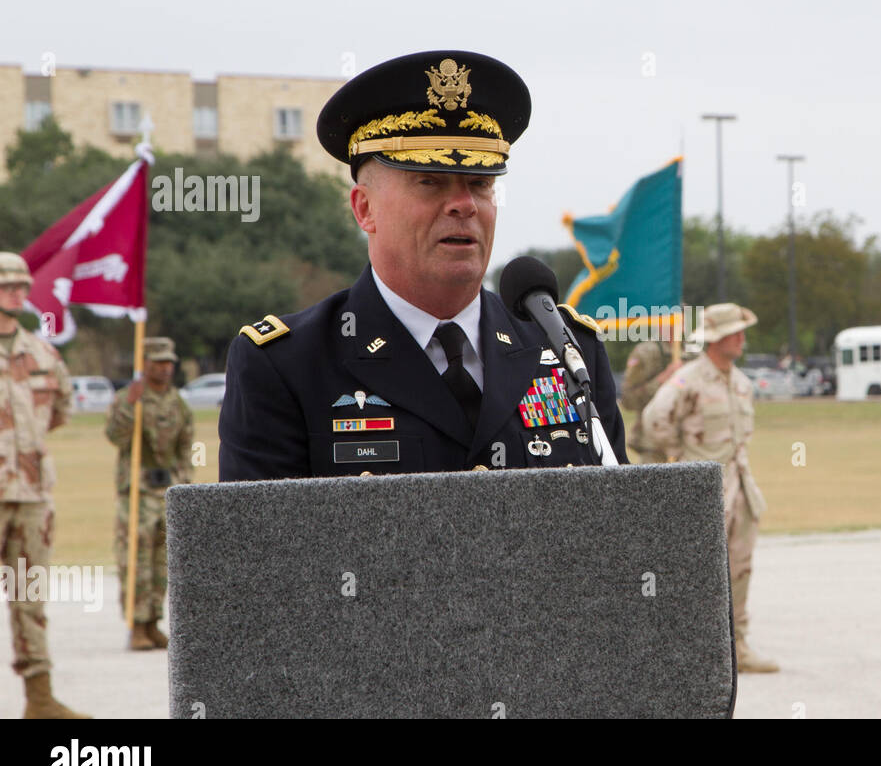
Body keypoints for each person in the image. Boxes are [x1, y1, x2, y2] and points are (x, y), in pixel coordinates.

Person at [219, 51, 626, 480]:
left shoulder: (567, 351)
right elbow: (259, 545)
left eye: (480, 184)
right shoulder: (287, 367)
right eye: (429, 182)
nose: (463, 205)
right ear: (364, 208)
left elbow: (621, 526)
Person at [642, 303, 778, 673]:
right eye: (734, 332)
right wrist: (679, 455)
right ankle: (693, 652)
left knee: (741, 568)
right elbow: (655, 418)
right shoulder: (689, 378)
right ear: (716, 338)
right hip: (704, 492)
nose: (741, 338)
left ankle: (739, 647)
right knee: (698, 575)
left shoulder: (741, 383)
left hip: (741, 488)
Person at [0, 252, 90, 718]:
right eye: (8, 284)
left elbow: (60, 412)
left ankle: (39, 699)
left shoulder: (42, 352)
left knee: (29, 596)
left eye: (21, 284)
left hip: (31, 496)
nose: (18, 291)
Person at [104, 337, 193, 650]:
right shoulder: (130, 398)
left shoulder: (178, 402)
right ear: (145, 365)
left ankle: (154, 620)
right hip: (137, 492)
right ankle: (136, 625)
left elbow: (186, 447)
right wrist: (130, 406)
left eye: (169, 362)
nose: (165, 368)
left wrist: (183, 482)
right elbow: (115, 436)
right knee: (135, 560)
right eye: (158, 362)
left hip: (167, 491)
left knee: (163, 560)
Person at [619, 336, 682, 464]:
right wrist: (662, 380)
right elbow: (628, 399)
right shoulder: (646, 353)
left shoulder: (692, 352)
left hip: (687, 443)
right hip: (654, 446)